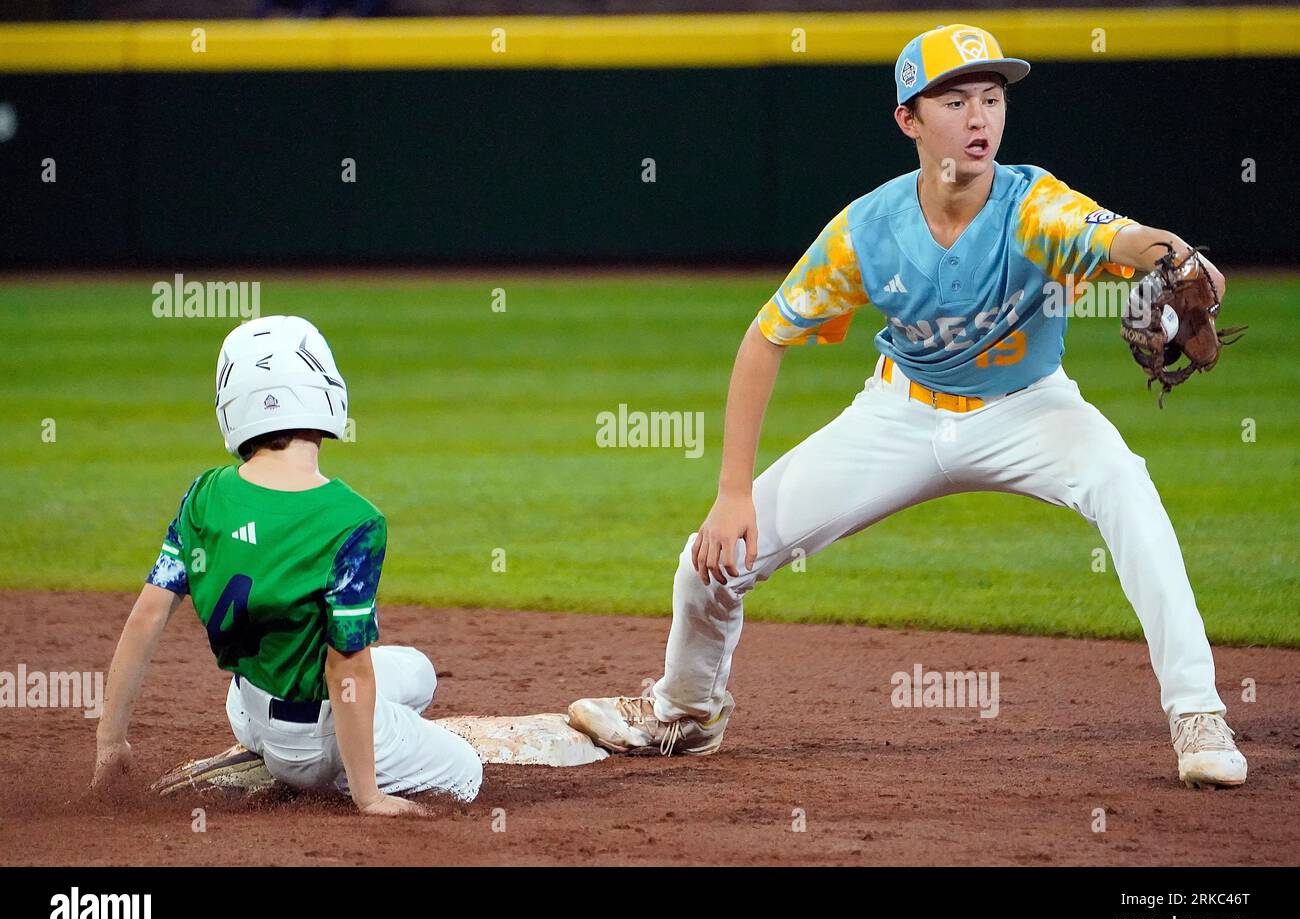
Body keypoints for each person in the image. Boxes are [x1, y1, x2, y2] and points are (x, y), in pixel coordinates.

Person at [567, 23, 1247, 789]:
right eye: (954, 100)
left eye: (991, 98)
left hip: (1030, 410)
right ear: (909, 120)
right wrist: (731, 493)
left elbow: (1142, 245)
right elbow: (765, 338)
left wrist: (1188, 269)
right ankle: (687, 712)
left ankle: (1198, 712)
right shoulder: (867, 230)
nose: (980, 117)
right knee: (709, 561)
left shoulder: (1036, 208)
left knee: (1127, 487)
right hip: (900, 414)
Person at [91, 315, 482, 813]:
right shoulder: (352, 520)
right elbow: (348, 665)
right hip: (313, 742)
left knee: (419, 673)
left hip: (245, 708)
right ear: (324, 390)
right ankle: (314, 779)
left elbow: (147, 615)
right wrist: (369, 796)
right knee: (467, 773)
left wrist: (111, 743)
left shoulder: (204, 495)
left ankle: (263, 756)